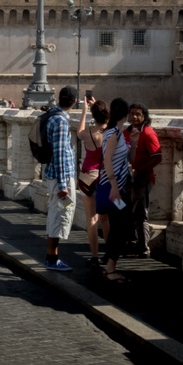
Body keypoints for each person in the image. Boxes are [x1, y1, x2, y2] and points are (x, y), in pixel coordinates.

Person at [99, 97, 137, 283]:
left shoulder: (116, 133)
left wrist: (135, 143)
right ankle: (110, 267)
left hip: (116, 188)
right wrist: (114, 185)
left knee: (120, 224)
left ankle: (110, 265)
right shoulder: (113, 134)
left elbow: (124, 158)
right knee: (121, 224)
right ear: (125, 114)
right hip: (114, 190)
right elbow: (107, 160)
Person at [42, 87, 79, 271]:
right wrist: (63, 185)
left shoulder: (52, 115)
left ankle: (52, 257)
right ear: (74, 101)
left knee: (57, 213)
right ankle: (52, 259)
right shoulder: (61, 121)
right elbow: (59, 154)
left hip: (55, 175)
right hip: (60, 179)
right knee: (60, 214)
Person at [124, 103, 163, 258]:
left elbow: (157, 157)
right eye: (132, 113)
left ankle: (143, 247)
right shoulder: (126, 133)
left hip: (143, 179)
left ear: (144, 116)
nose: (134, 117)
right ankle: (133, 242)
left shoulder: (148, 133)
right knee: (129, 212)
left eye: (138, 114)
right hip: (128, 178)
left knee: (140, 214)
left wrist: (139, 170)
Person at [76, 96, 109, 267]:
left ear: (94, 116)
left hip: (87, 177)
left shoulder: (88, 134)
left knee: (91, 220)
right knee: (105, 219)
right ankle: (109, 255)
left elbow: (78, 131)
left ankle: (94, 256)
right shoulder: (111, 133)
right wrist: (98, 104)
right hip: (104, 178)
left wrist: (84, 111)